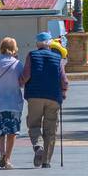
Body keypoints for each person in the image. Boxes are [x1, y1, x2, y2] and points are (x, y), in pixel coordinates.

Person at [19, 31, 69, 167]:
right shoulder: (58, 58)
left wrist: (19, 83)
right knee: (51, 129)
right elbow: (64, 80)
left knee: (33, 124)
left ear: (37, 44)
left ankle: (38, 146)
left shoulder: (32, 55)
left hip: (34, 95)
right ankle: (46, 161)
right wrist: (63, 92)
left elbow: (26, 75)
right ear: (49, 43)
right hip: (53, 97)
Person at [0, 37, 24, 169]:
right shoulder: (18, 64)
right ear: (14, 49)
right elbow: (22, 82)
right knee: (12, 132)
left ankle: (2, 153)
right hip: (13, 102)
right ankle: (7, 158)